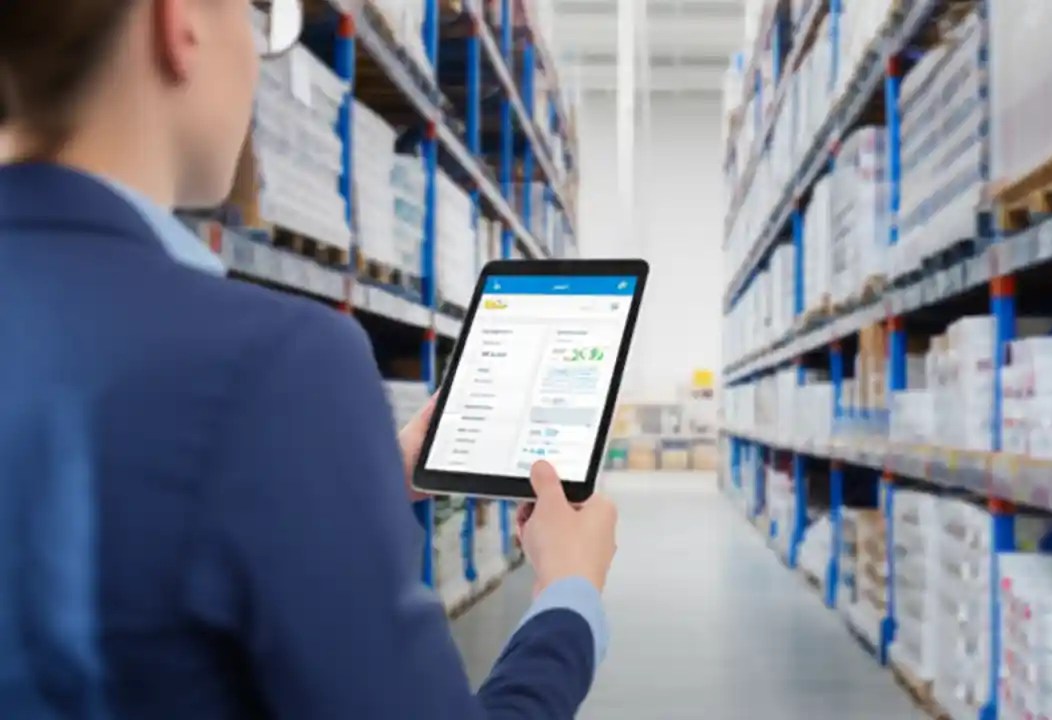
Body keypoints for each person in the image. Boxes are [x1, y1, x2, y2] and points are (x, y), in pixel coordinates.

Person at [0, 1, 617, 718]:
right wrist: (569, 598)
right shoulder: (272, 363)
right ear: (179, 24)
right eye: (255, 15)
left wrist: (353, 475)